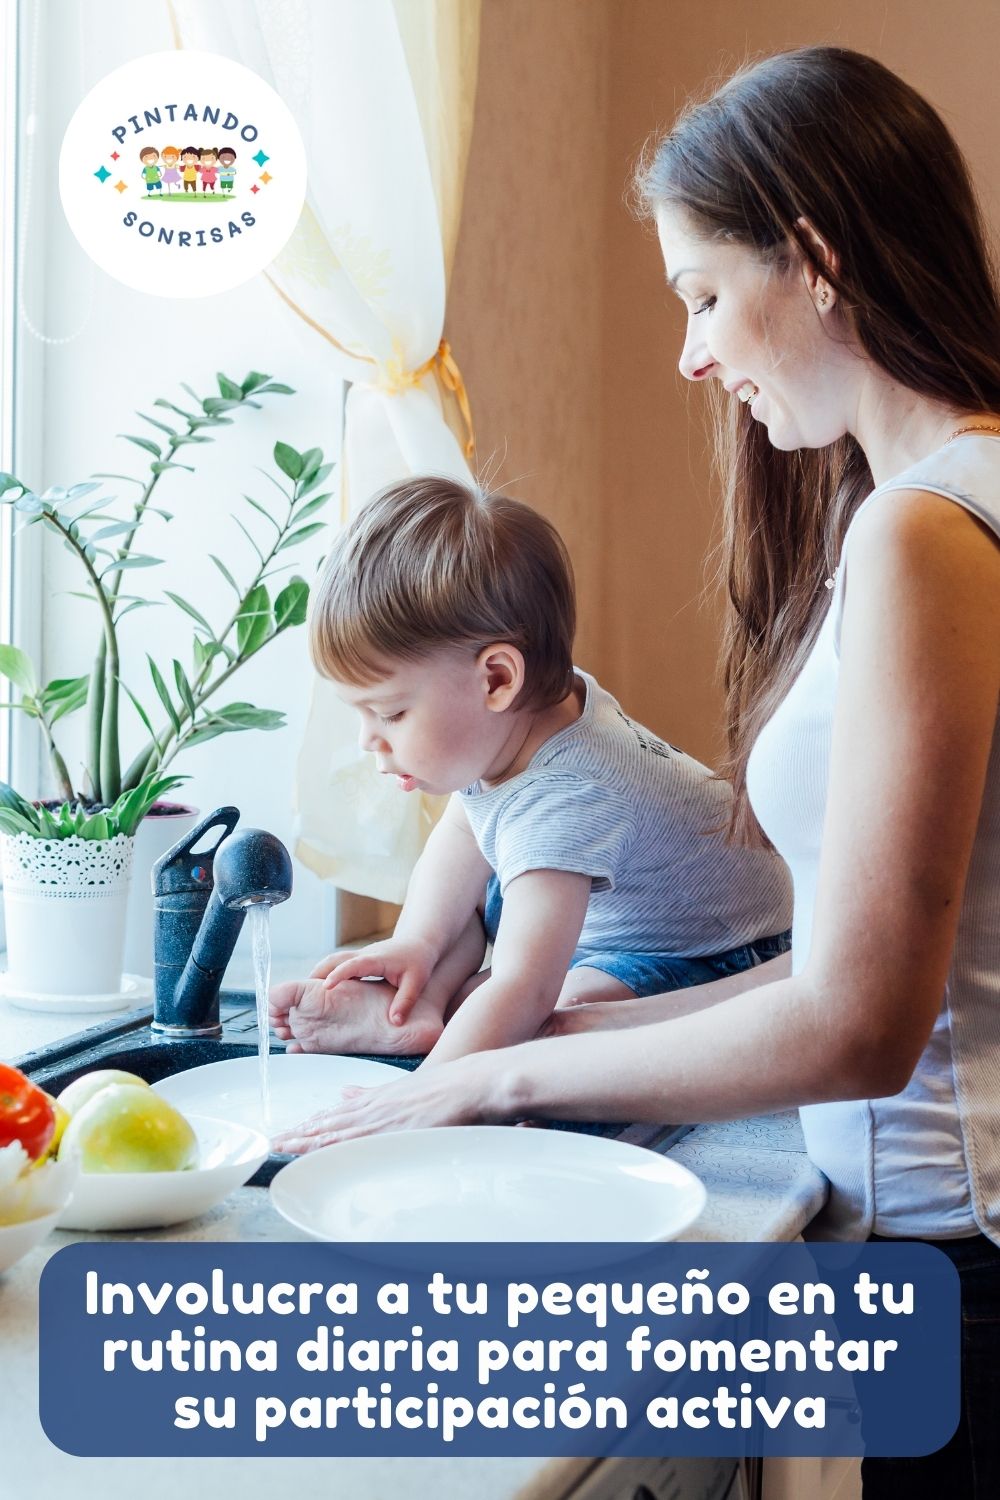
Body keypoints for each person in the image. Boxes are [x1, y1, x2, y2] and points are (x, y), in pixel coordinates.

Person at [271, 47, 1000, 1495]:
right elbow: (835, 974)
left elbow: (859, 1026)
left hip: (955, 1250)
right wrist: (510, 1053)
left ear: (818, 260)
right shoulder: (955, 502)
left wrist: (492, 1087)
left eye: (704, 296)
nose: (692, 354)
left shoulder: (920, 535)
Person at [270, 476, 792, 1063]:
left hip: (710, 950)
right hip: (597, 911)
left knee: (560, 1012)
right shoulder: (513, 722)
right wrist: (415, 942)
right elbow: (466, 828)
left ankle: (441, 1020)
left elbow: (524, 988)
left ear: (497, 678)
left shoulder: (569, 793)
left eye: (390, 713)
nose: (370, 740)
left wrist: (424, 1097)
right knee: (464, 904)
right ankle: (419, 1003)